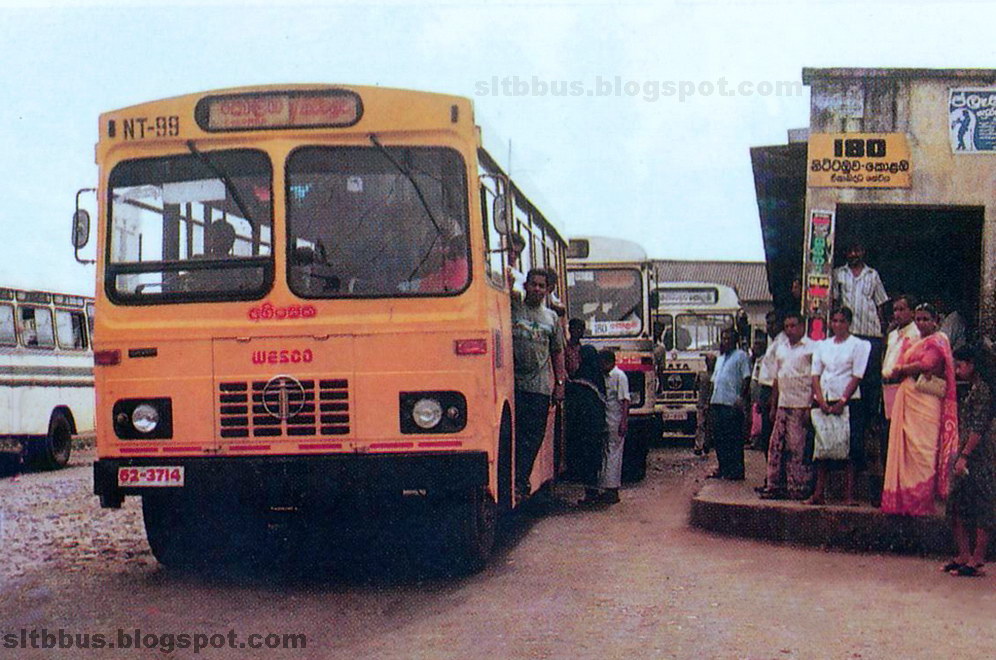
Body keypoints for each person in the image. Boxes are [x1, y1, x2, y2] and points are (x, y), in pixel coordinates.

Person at [881, 303, 959, 516]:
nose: (922, 323)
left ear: (936, 321)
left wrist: (903, 369)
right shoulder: (916, 341)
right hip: (908, 396)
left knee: (923, 451)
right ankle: (905, 501)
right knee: (906, 450)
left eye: (926, 319)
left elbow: (928, 364)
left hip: (927, 401)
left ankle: (921, 501)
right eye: (918, 319)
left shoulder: (938, 341)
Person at [512, 268, 567, 502]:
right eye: (533, 284)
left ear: (547, 290)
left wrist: (560, 383)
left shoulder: (551, 318)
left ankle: (521, 479)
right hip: (513, 385)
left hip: (540, 388)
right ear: (525, 286)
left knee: (533, 437)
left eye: (541, 286)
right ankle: (513, 479)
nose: (536, 289)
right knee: (515, 435)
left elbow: (557, 352)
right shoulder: (513, 309)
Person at [808, 307, 871, 506]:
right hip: (825, 398)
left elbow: (857, 375)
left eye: (842, 321)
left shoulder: (858, 345)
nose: (837, 325)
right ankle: (818, 493)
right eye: (834, 321)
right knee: (822, 445)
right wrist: (820, 400)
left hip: (849, 399)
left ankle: (849, 495)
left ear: (849, 323)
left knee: (850, 447)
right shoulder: (822, 345)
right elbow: (815, 374)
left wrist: (843, 400)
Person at [943, 346, 995, 577]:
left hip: (978, 454)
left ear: (972, 365)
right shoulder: (975, 389)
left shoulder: (983, 391)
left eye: (960, 364)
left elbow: (979, 427)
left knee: (981, 503)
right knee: (957, 502)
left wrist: (964, 455)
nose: (957, 368)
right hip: (967, 450)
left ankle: (977, 557)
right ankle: (965, 554)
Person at [758, 311, 815, 500]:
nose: (790, 330)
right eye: (787, 326)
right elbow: (777, 379)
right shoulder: (780, 349)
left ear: (802, 327)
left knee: (797, 448)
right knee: (776, 446)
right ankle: (774, 485)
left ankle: (797, 487)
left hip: (801, 404)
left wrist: (810, 405)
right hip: (783, 403)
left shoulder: (811, 348)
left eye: (793, 326)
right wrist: (774, 406)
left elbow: (816, 379)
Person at [832, 242, 888, 425]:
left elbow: (880, 304)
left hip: (871, 334)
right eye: (850, 250)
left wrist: (883, 330)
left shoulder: (873, 275)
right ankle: (851, 417)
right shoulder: (839, 274)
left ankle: (870, 419)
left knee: (870, 380)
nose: (854, 253)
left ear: (863, 252)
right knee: (850, 376)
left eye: (857, 250)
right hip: (850, 335)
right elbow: (833, 303)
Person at [706, 328, 752, 480]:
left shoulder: (741, 356)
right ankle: (723, 468)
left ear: (735, 340)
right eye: (723, 338)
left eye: (728, 339)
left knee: (734, 439)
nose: (725, 342)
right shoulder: (720, 359)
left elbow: (746, 378)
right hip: (717, 402)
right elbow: (714, 381)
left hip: (731, 404)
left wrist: (741, 398)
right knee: (719, 438)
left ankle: (736, 471)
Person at [565, 345, 608, 498]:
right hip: (596, 427)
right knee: (594, 460)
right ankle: (593, 491)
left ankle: (590, 493)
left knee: (584, 460)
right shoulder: (598, 377)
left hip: (581, 428)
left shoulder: (579, 376)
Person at [597, 348, 630, 503]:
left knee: (614, 455)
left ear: (609, 362)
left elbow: (625, 401)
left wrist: (623, 422)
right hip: (606, 420)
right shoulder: (604, 377)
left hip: (616, 421)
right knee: (607, 455)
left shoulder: (619, 376)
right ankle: (607, 489)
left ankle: (612, 490)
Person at [751, 310, 787, 452]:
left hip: (773, 391)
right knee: (766, 436)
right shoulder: (773, 342)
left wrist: (773, 400)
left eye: (773, 323)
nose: (770, 327)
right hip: (765, 391)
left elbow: (777, 375)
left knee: (772, 436)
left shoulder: (782, 343)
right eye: (768, 324)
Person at [693, 353, 716, 456]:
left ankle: (706, 444)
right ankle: (699, 446)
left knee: (709, 426)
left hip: (711, 404)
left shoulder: (715, 376)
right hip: (703, 404)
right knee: (701, 425)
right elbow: (695, 387)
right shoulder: (703, 375)